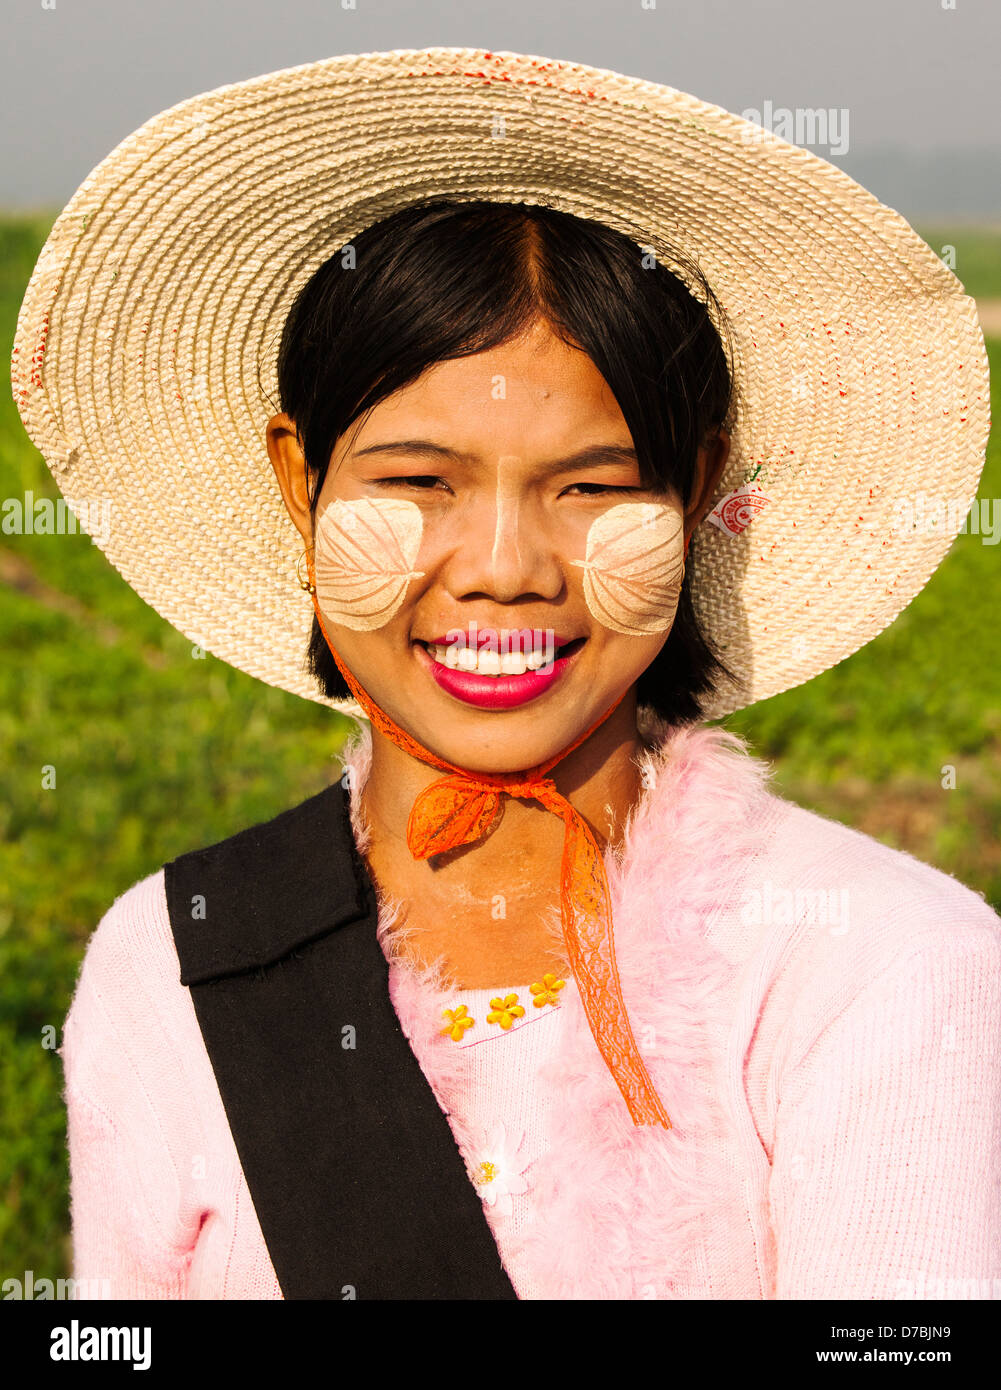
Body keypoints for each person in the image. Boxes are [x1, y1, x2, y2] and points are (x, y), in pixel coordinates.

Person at [14, 48, 999, 1300]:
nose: (501, 569)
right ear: (297, 483)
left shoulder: (880, 967)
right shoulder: (176, 958)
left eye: (588, 488)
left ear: (696, 492)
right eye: (417, 482)